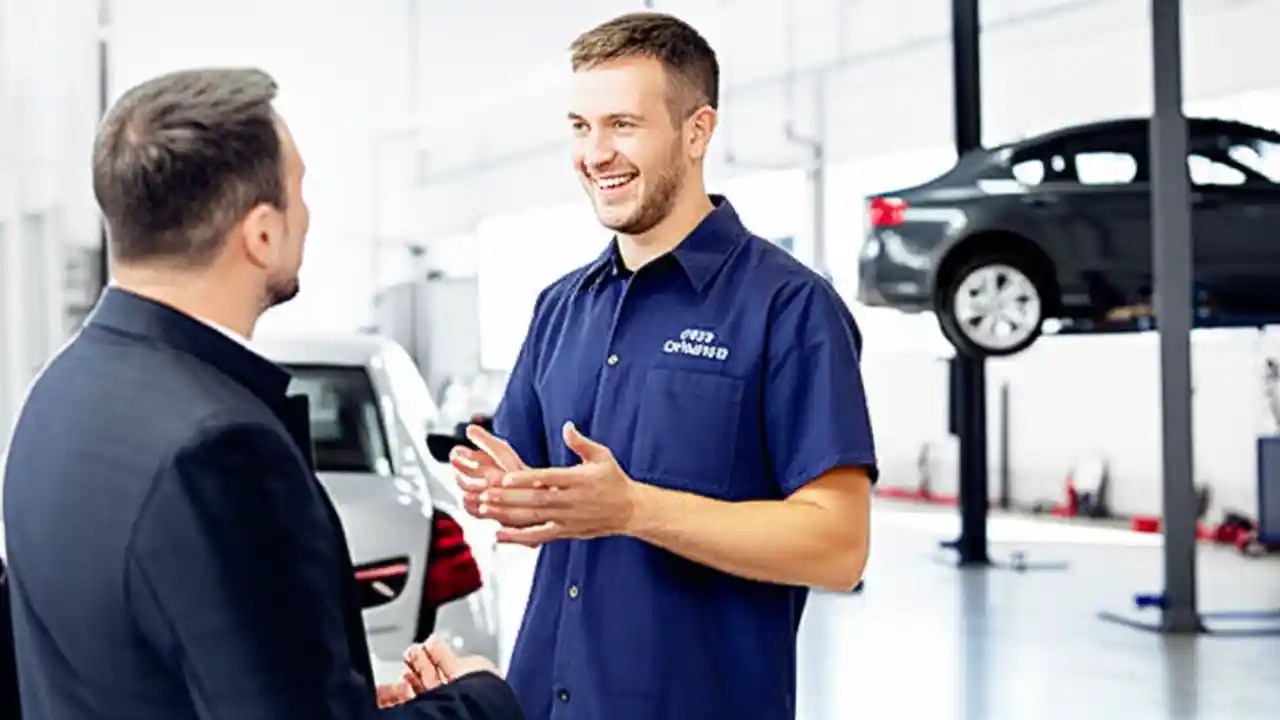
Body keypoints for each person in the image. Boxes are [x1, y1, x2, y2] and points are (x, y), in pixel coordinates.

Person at [1, 67, 522, 720]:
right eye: (299, 191)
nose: (308, 214)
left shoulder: (56, 394)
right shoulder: (223, 449)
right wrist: (481, 697)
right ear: (262, 234)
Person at [444, 11, 877, 720]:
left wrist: (635, 509)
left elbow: (839, 546)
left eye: (623, 124)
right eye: (580, 127)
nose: (595, 154)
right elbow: (534, 484)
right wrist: (503, 489)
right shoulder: (560, 307)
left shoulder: (790, 307)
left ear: (697, 132)